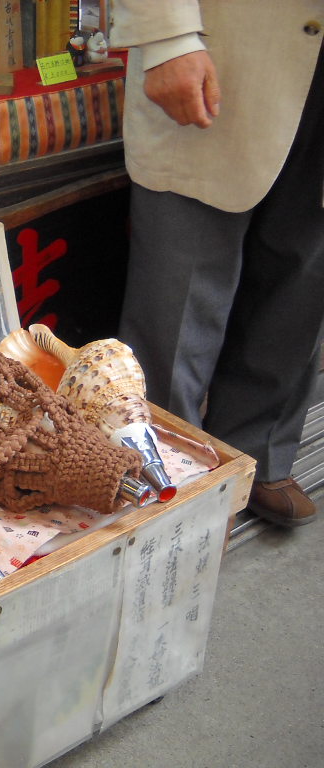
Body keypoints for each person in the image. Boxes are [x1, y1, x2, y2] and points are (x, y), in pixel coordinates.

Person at [113, 1, 323, 527]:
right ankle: (169, 481)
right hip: (222, 55)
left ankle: (260, 453)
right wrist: (167, 37)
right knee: (178, 294)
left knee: (303, 277)